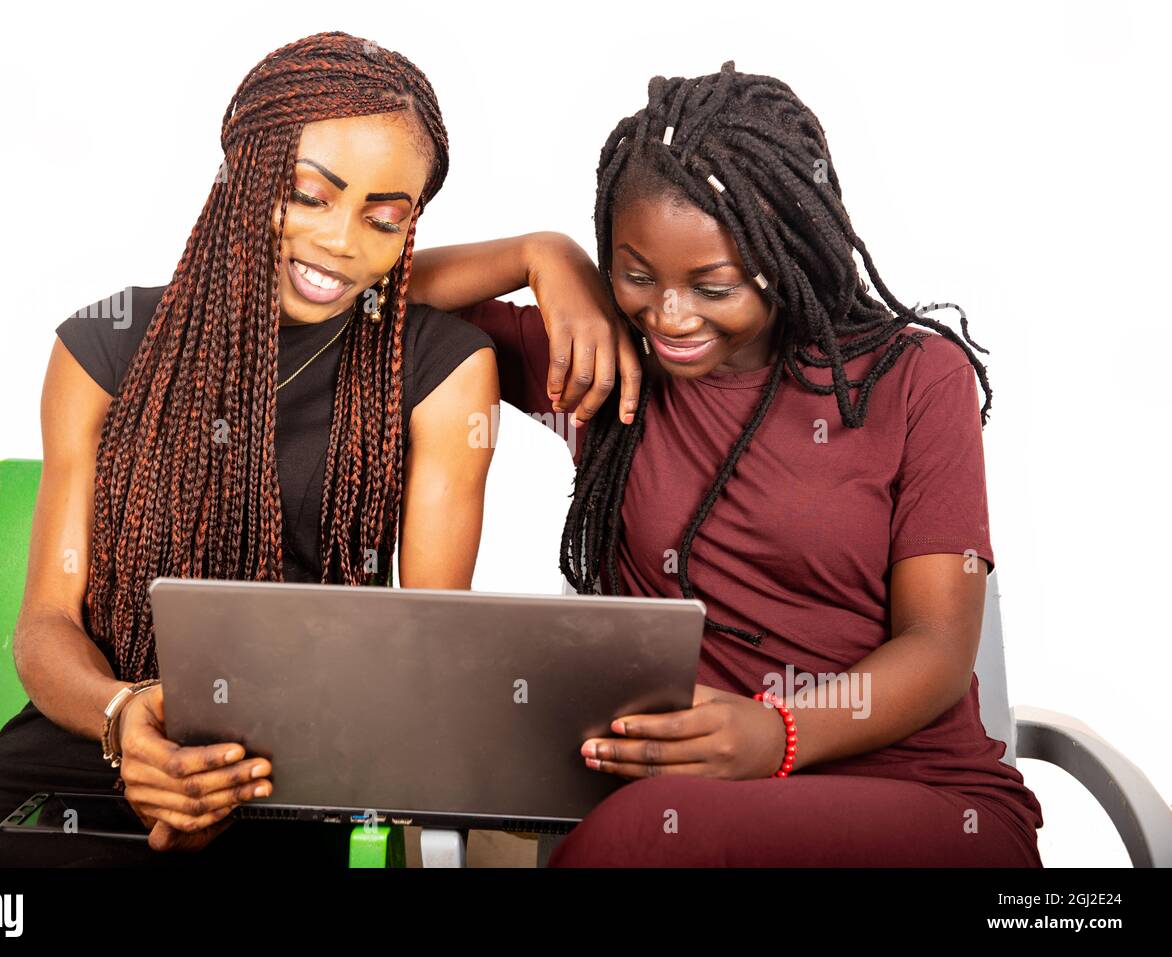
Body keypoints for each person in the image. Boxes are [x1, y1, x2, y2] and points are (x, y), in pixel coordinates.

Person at [408, 62, 1045, 866]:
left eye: (713, 286)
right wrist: (542, 255)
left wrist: (779, 733)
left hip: (921, 797)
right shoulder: (607, 365)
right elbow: (377, 299)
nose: (670, 316)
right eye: (638, 276)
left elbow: (940, 647)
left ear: (788, 251)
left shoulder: (915, 378)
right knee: (641, 828)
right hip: (693, 806)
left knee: (637, 836)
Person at [0, 32, 498, 867]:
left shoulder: (439, 370)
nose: (343, 241)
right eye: (308, 195)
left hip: (297, 759)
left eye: (385, 218)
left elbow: (425, 648)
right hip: (94, 733)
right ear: (242, 174)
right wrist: (124, 715)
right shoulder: (103, 347)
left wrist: (541, 251)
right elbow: (46, 624)